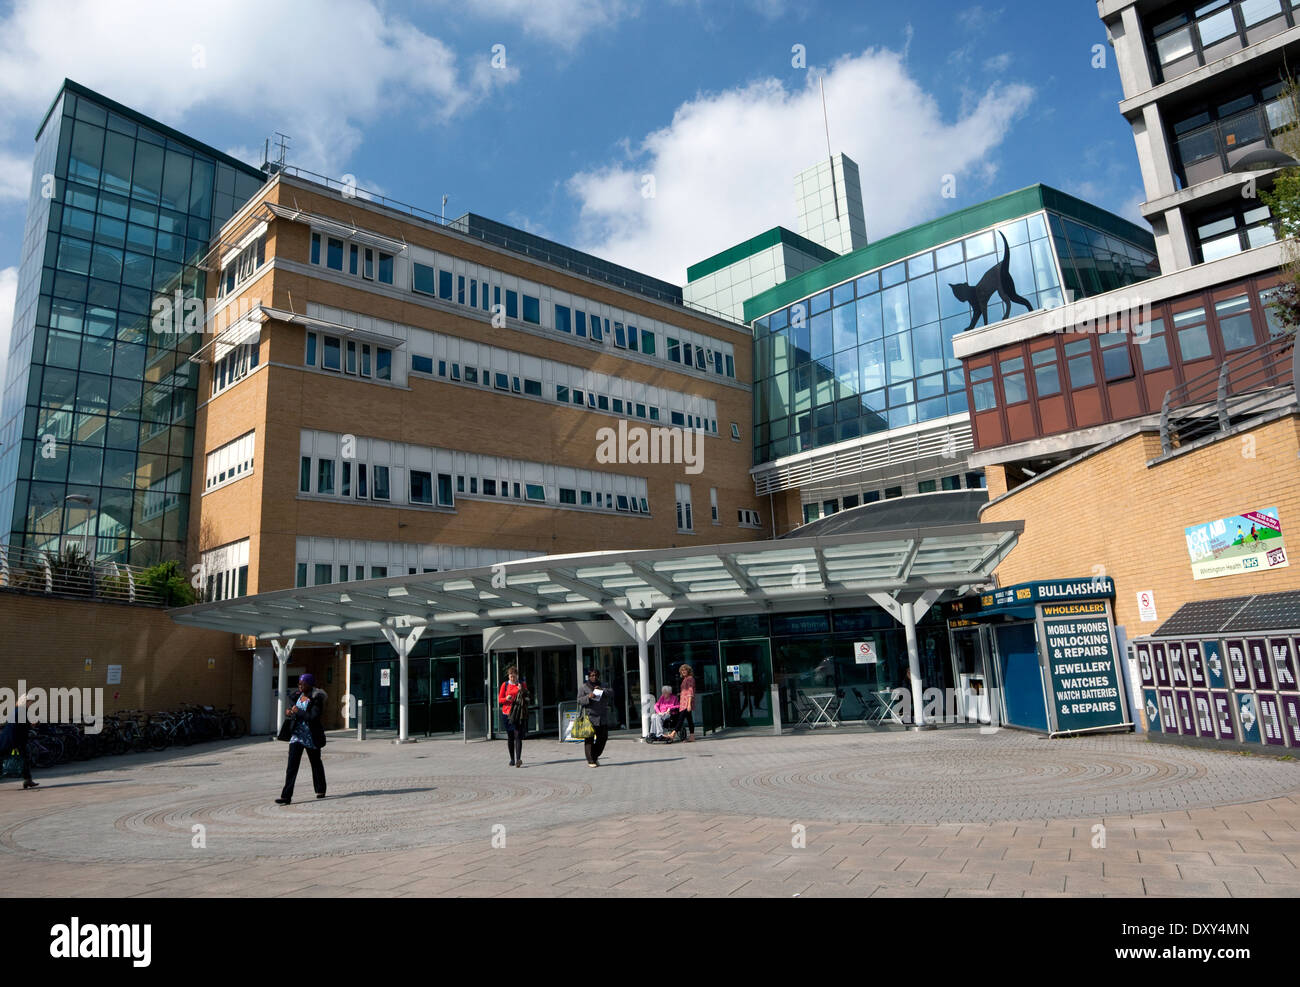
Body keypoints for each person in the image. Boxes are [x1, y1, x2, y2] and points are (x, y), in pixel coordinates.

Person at [276, 673, 327, 805]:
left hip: (311, 736)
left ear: (309, 684)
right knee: (292, 766)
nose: (299, 685)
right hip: (297, 736)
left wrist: (298, 711)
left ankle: (320, 789)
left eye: (302, 683)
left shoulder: (316, 698)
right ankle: (286, 796)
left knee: (315, 764)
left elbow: (313, 717)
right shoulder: (297, 696)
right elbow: (295, 711)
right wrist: (290, 712)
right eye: (299, 683)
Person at [0, 693, 38, 789]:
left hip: (13, 739)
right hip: (13, 740)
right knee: (4, 758)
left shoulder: (19, 710)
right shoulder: (21, 711)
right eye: (30, 702)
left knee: (24, 758)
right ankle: (27, 780)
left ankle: (28, 780)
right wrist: (32, 725)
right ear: (25, 702)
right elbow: (21, 726)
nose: (31, 704)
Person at [576, 668, 612, 767]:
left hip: (602, 717)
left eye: (595, 675)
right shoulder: (583, 688)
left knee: (603, 738)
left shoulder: (603, 685)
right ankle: (590, 760)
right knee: (589, 739)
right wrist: (588, 697)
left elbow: (611, 692)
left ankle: (594, 756)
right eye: (592, 675)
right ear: (589, 676)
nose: (594, 677)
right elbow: (579, 700)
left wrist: (603, 690)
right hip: (589, 717)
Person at [498, 665, 528, 768]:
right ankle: (512, 759)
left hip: (518, 714)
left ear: (517, 676)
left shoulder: (521, 684)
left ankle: (518, 759)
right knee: (510, 736)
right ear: (508, 676)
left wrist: (522, 690)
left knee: (518, 735)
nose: (512, 678)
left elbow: (527, 697)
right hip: (507, 714)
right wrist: (506, 698)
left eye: (514, 676)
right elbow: (500, 699)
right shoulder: (505, 685)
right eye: (511, 676)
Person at [664, 664, 696, 743]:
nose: (683, 671)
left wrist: (688, 704)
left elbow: (690, 691)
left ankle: (673, 734)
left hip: (686, 703)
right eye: (682, 670)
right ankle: (692, 737)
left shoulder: (690, 679)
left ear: (688, 671)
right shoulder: (685, 679)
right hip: (683, 703)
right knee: (689, 719)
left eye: (685, 670)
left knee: (680, 719)